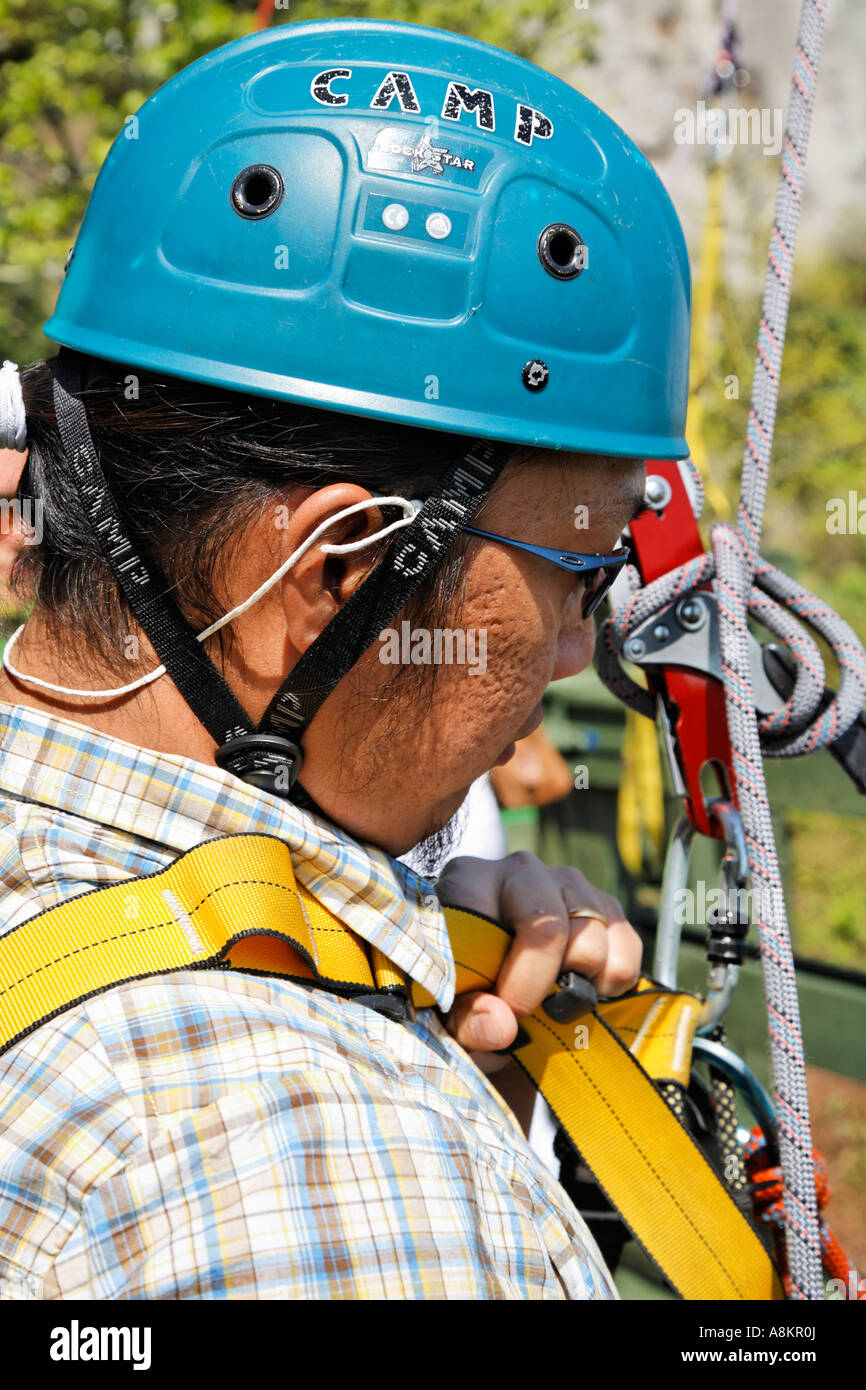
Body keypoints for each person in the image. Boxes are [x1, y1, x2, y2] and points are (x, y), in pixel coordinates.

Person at [0, 16, 689, 1299]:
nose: (577, 651)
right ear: (336, 574)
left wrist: (409, 1015)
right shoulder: (292, 1144)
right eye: (579, 575)